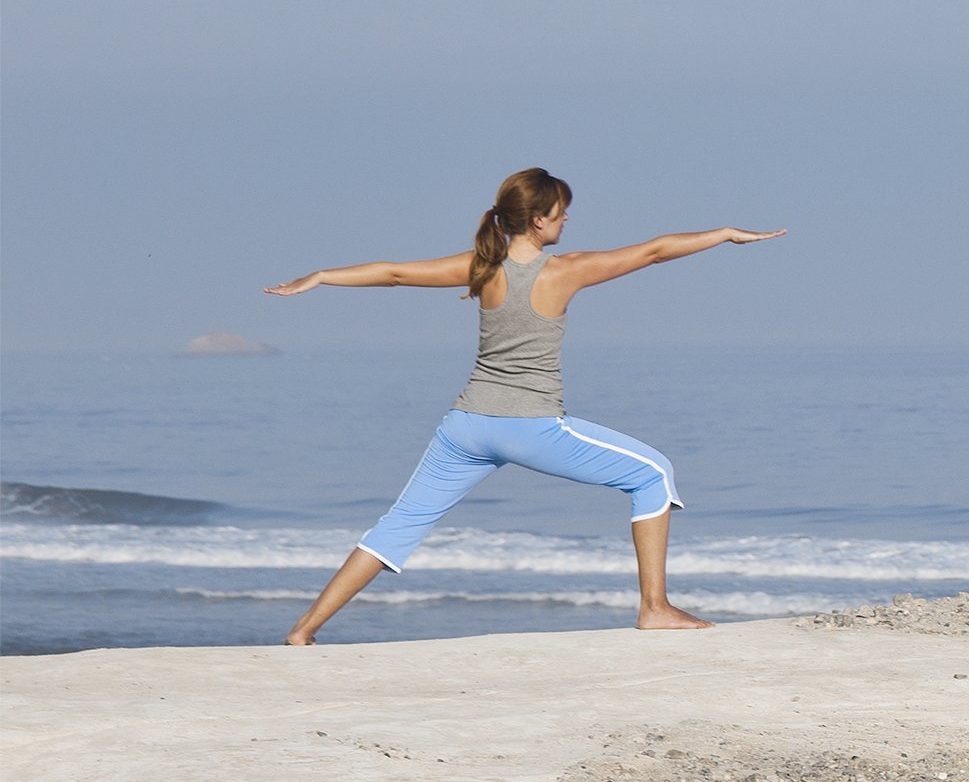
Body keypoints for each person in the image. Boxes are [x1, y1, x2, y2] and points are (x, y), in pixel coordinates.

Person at [265, 169, 784, 644]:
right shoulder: (565, 271)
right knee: (653, 473)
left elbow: (395, 273)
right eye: (560, 213)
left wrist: (322, 275)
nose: (567, 220)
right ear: (539, 221)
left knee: (399, 525)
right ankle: (655, 608)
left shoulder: (479, 268)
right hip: (528, 426)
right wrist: (722, 234)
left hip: (464, 427)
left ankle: (304, 631)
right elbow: (653, 251)